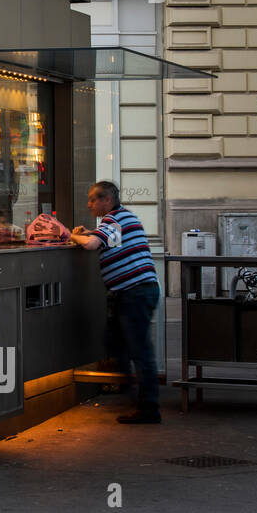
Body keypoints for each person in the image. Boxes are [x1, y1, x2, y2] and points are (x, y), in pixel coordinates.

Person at [70, 181, 162, 424]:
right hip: (136, 292)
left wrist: (72, 236)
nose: (88, 204)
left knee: (140, 352)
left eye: (92, 199)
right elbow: (107, 240)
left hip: (134, 293)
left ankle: (148, 407)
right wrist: (87, 233)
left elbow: (92, 245)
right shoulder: (122, 219)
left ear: (107, 201)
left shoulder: (114, 220)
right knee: (118, 344)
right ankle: (126, 389)